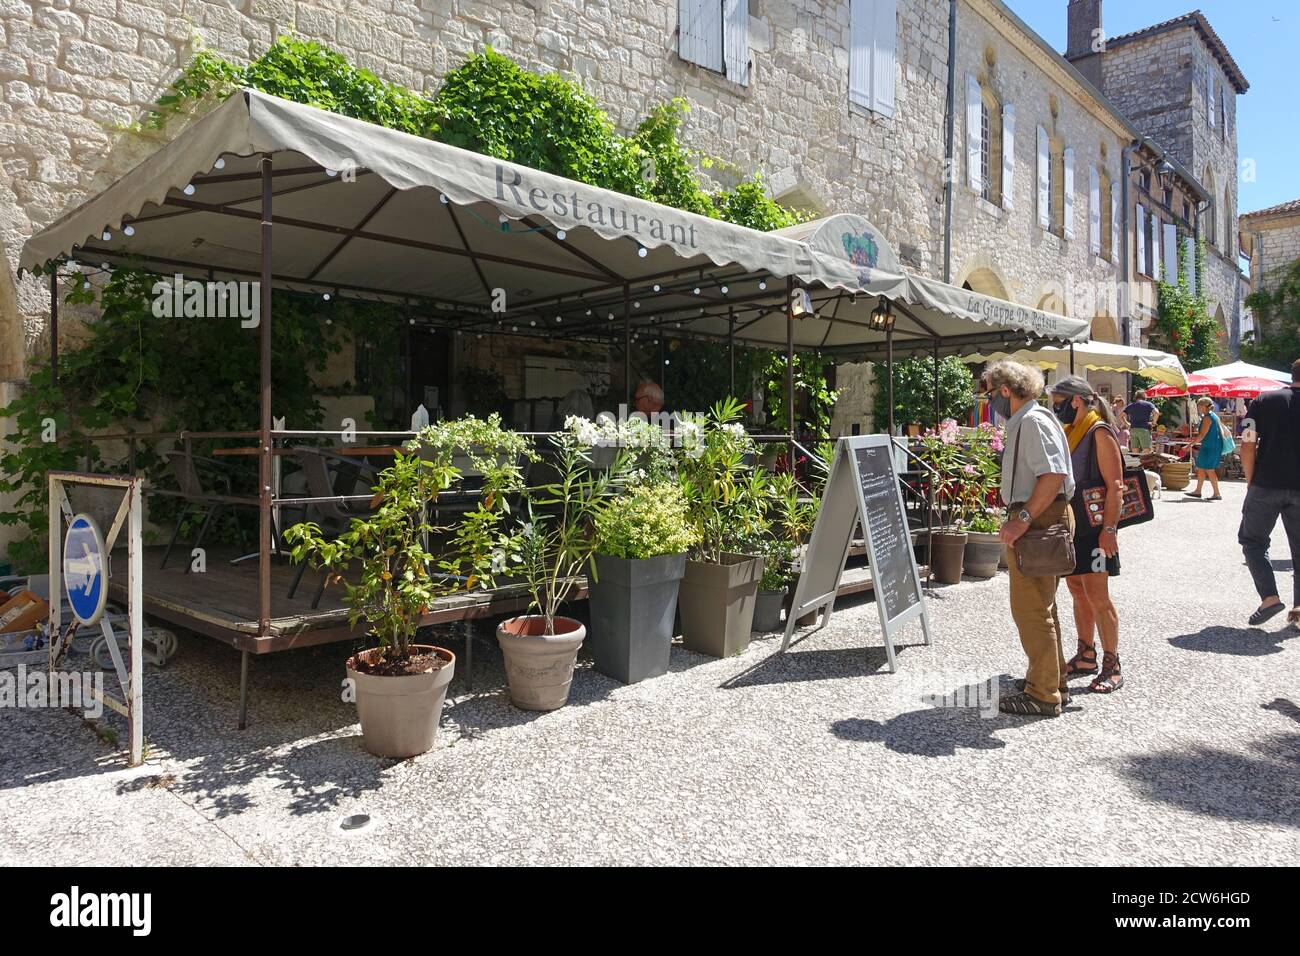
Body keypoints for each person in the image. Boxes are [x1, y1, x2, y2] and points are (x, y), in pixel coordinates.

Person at [988, 360, 1076, 717]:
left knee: (1030, 610)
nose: (990, 398)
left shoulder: (1033, 421)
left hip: (1038, 518)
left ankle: (1043, 694)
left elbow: (1053, 476)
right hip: (1041, 516)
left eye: (992, 391)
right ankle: (1053, 681)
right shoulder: (1030, 420)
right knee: (1043, 606)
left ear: (1006, 390)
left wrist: (1021, 520)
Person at [1050, 377, 1125, 694]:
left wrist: (1109, 531)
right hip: (1074, 526)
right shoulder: (1070, 433)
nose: (1056, 407)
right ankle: (1086, 653)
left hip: (1095, 530)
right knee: (1077, 589)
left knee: (1097, 594)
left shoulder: (1099, 432)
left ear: (1075, 401)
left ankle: (1113, 663)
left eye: (1058, 401)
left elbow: (1116, 487)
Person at [1238, 358, 1300, 627]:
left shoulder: (1263, 401)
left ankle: (1270, 597)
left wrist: (1251, 479)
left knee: (1253, 541)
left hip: (1266, 483)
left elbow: (1248, 444)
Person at [1187, 396, 1225, 500]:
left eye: (1199, 405)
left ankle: (1217, 494)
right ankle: (1198, 491)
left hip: (1211, 446)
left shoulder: (1208, 417)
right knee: (1201, 467)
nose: (1198, 407)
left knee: (1209, 469)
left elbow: (1202, 435)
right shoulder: (1210, 416)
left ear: (1204, 406)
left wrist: (1190, 445)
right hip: (1208, 446)